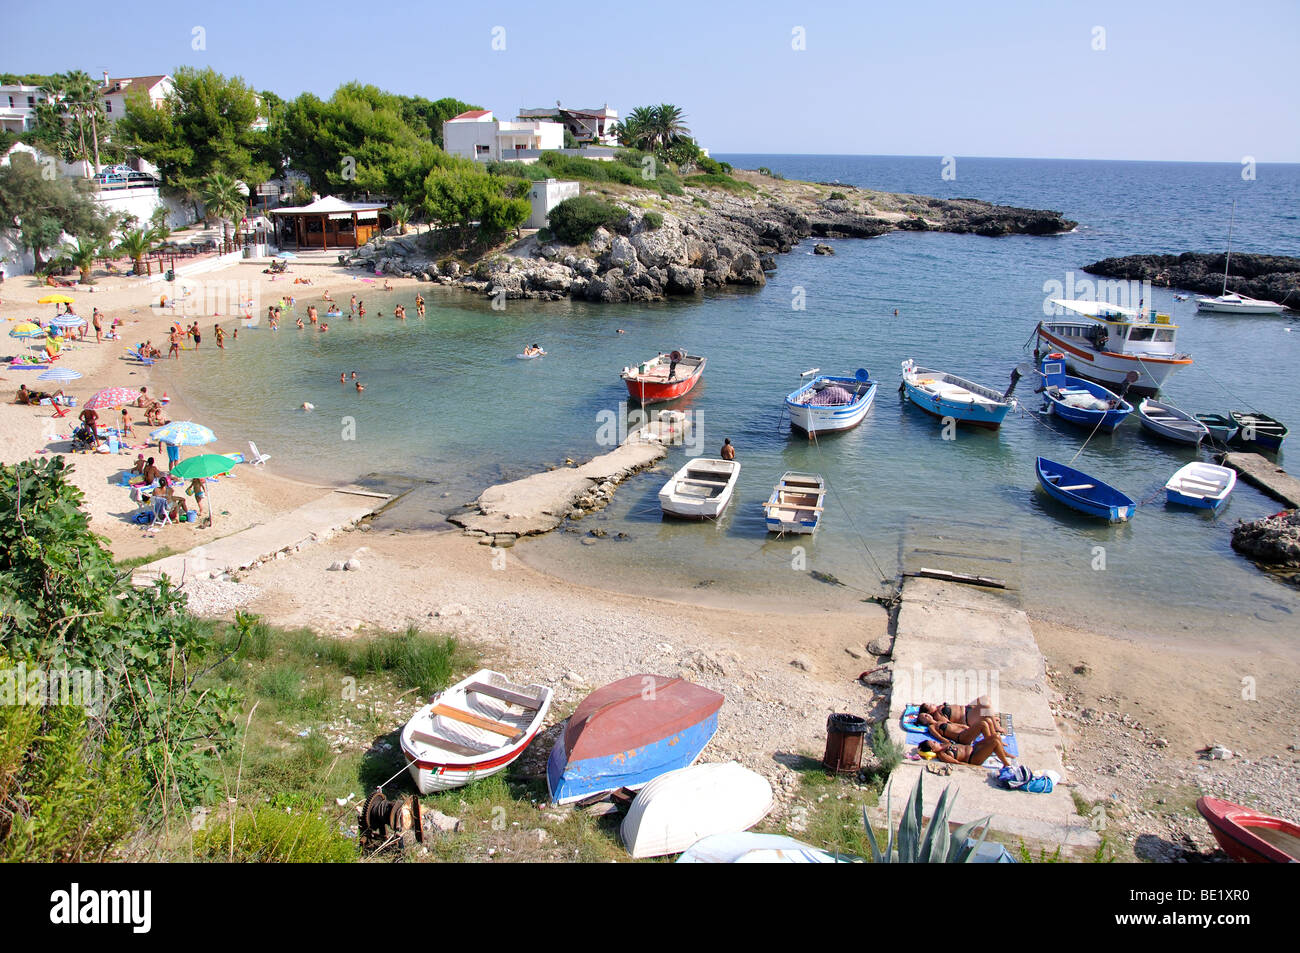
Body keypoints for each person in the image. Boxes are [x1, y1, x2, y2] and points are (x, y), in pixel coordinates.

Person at [918, 736, 1014, 769]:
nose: (935, 741)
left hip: (974, 748)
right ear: (932, 750)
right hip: (973, 757)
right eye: (933, 743)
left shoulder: (943, 744)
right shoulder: (942, 754)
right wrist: (974, 766)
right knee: (995, 742)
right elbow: (956, 763)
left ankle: (1005, 754)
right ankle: (1006, 764)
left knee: (995, 737)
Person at [915, 711, 1003, 747]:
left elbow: (955, 725)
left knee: (987, 719)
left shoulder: (940, 720)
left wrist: (968, 728)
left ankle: (995, 738)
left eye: (926, 714)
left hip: (966, 732)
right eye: (924, 717)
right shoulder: (931, 727)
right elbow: (939, 737)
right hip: (961, 737)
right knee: (983, 724)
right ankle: (990, 743)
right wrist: (949, 743)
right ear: (924, 723)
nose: (927, 715)